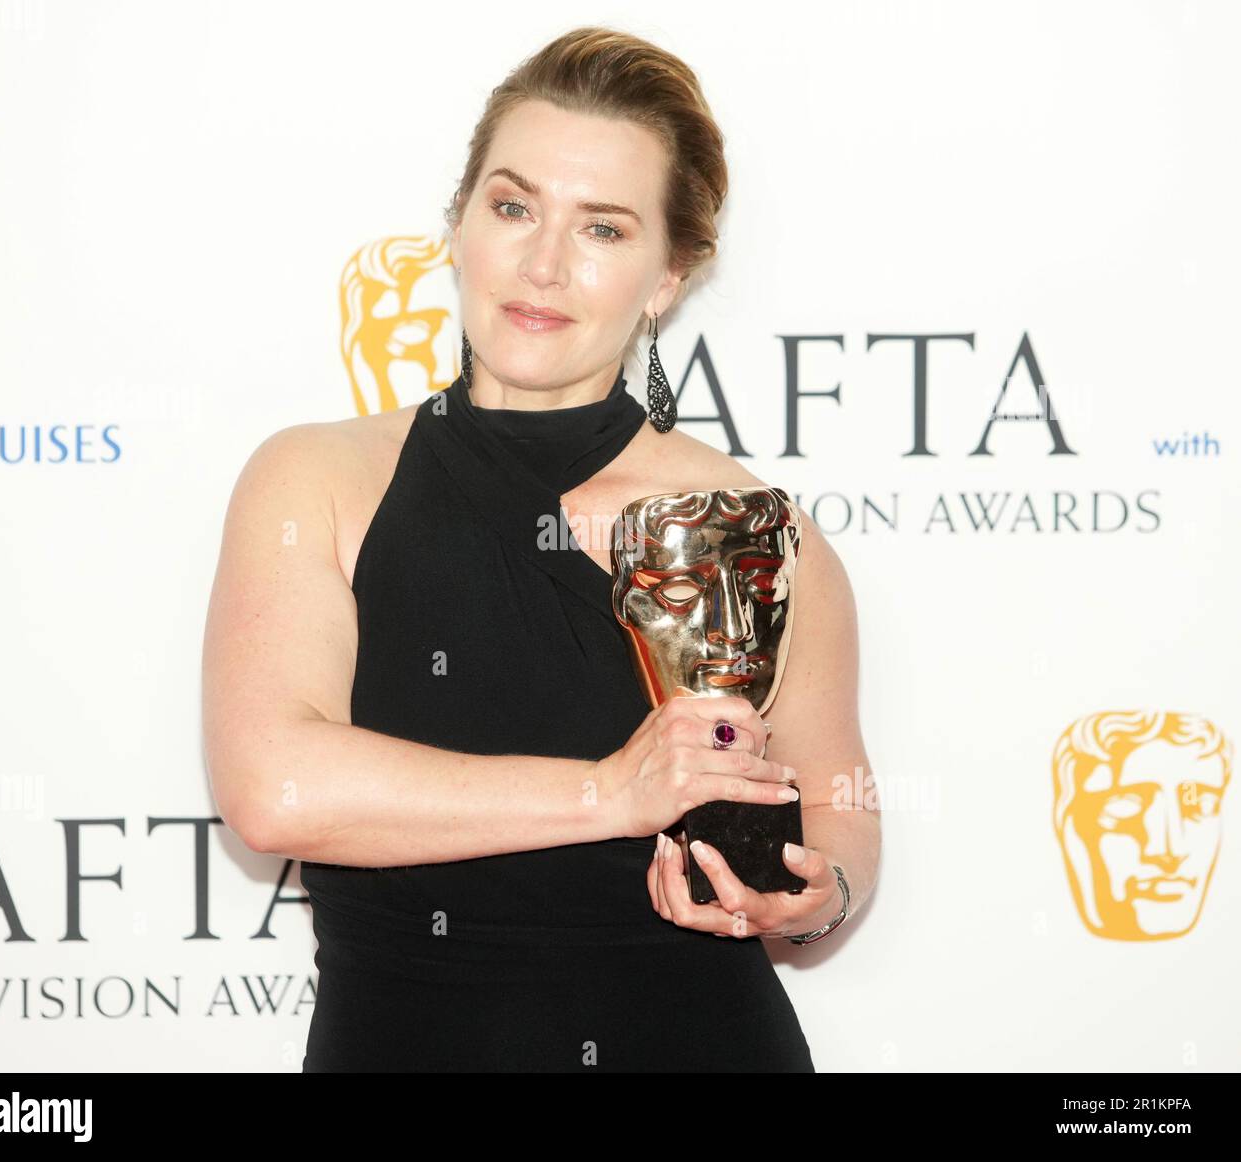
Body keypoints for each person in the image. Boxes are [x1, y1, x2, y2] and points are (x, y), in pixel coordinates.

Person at [202, 25, 880, 1072]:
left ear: (668, 275)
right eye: (512, 206)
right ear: (459, 221)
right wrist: (612, 791)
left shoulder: (755, 529)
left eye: (603, 230)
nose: (543, 263)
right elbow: (273, 789)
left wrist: (815, 888)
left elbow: (838, 803)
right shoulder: (315, 481)